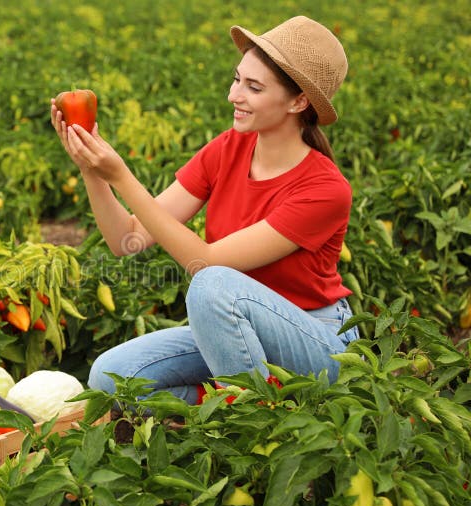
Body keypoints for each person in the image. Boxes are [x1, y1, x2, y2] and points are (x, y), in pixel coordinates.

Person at [50, 15, 359, 405]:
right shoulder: (228, 148)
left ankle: (255, 413)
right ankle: (229, 399)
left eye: (253, 87)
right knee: (112, 377)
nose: (234, 95)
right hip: (235, 325)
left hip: (317, 340)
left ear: (298, 101)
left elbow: (207, 263)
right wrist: (91, 169)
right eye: (236, 79)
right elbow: (126, 239)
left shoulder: (325, 189)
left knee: (210, 284)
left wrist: (122, 176)